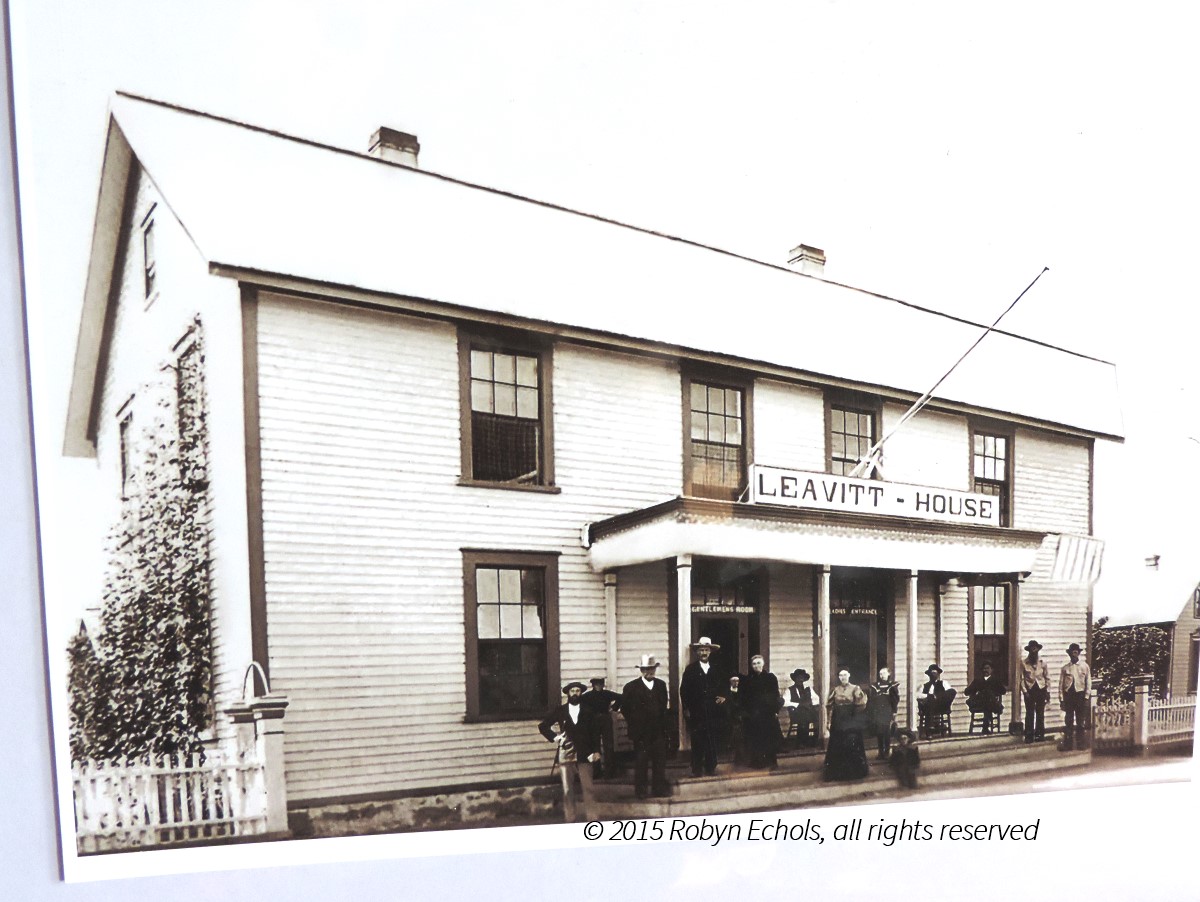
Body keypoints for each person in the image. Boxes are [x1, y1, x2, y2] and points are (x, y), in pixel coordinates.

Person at [538, 681, 602, 822]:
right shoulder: (560, 710)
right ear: (568, 693)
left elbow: (595, 733)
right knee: (567, 790)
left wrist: (596, 751)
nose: (575, 693)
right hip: (566, 755)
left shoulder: (588, 710)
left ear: (581, 693)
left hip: (585, 754)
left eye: (577, 691)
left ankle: (592, 820)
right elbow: (543, 726)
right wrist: (556, 737)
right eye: (572, 690)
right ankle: (570, 819)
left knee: (588, 788)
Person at [621, 654, 672, 799]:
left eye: (651, 669)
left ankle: (659, 789)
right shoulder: (631, 687)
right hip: (641, 733)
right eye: (645, 669)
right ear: (641, 670)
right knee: (641, 761)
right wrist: (635, 722)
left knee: (659, 761)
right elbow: (624, 708)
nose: (648, 672)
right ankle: (641, 791)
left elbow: (663, 707)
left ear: (655, 669)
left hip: (658, 731)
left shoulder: (661, 685)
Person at [679, 636, 727, 776]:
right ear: (697, 652)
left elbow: (725, 686)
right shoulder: (691, 670)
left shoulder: (717, 668)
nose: (704, 653)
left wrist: (724, 696)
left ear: (710, 652)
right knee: (698, 740)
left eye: (706, 650)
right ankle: (697, 768)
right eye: (701, 650)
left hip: (713, 710)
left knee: (712, 739)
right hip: (697, 711)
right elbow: (684, 690)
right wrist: (687, 708)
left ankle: (711, 767)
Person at [823, 668, 869, 780]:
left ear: (849, 675)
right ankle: (837, 773)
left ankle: (854, 772)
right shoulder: (835, 689)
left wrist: (854, 716)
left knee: (851, 742)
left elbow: (861, 704)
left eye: (845, 675)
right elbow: (829, 706)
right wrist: (828, 722)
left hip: (851, 719)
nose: (843, 677)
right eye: (840, 675)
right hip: (838, 719)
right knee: (838, 743)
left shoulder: (855, 688)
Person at [741, 654, 783, 769]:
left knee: (769, 738)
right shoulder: (748, 679)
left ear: (763, 664)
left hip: (767, 712)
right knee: (756, 739)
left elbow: (775, 695)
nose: (756, 666)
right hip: (754, 713)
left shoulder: (770, 678)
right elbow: (745, 697)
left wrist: (775, 710)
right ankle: (757, 762)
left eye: (758, 663)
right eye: (754, 664)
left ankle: (772, 762)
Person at [580, 676, 622, 778]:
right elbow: (579, 704)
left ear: (603, 685)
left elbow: (621, 697)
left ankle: (609, 772)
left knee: (608, 745)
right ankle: (596, 772)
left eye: (600, 684)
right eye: (596, 684)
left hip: (606, 719)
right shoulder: (587, 696)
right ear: (593, 685)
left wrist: (614, 708)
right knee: (595, 746)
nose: (598, 686)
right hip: (593, 721)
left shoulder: (607, 694)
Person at [1059, 642, 1092, 751]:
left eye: (1076, 652)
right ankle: (1068, 744)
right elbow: (1061, 685)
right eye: (1072, 652)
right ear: (1069, 654)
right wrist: (1062, 699)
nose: (1074, 654)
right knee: (1068, 720)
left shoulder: (1084, 666)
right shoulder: (1065, 668)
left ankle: (1080, 744)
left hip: (1080, 695)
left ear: (1078, 653)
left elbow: (1088, 682)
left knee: (1080, 721)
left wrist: (1086, 697)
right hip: (1069, 696)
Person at [1019, 639, 1050, 743]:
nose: (1034, 651)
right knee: (1029, 713)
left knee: (1040, 713)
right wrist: (1025, 691)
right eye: (1032, 649)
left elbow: (1047, 678)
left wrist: (1047, 691)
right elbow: (1021, 679)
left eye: (1035, 649)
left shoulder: (1042, 663)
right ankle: (1029, 736)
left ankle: (1040, 735)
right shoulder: (1024, 663)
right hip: (1030, 690)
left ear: (1038, 650)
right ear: (1029, 651)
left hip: (1041, 689)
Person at [866, 666, 900, 759]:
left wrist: (894, 712)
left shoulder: (892, 685)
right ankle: (880, 752)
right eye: (880, 674)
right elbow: (872, 700)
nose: (882, 675)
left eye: (884, 673)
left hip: (887, 711)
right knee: (879, 732)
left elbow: (895, 700)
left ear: (889, 674)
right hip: (878, 711)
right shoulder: (875, 686)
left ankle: (886, 751)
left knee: (886, 732)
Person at [964, 661, 1006, 733]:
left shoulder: (995, 680)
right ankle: (986, 726)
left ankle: (985, 728)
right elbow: (967, 692)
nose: (985, 670)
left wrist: (994, 692)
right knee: (987, 696)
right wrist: (974, 691)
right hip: (980, 702)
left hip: (989, 702)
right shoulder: (978, 680)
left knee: (988, 699)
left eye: (987, 668)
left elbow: (1003, 691)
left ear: (992, 670)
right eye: (984, 668)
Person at [916, 664, 956, 738]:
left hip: (941, 706)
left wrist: (937, 697)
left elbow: (950, 693)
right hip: (928, 707)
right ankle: (930, 729)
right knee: (930, 699)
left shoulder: (944, 683)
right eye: (932, 673)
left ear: (938, 674)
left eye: (935, 673)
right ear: (929, 675)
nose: (933, 675)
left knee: (952, 691)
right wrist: (929, 696)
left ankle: (931, 727)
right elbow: (917, 695)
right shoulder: (924, 686)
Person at [783, 668, 819, 748]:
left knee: (818, 716)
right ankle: (801, 742)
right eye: (798, 678)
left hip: (809, 712)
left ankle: (814, 741)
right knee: (803, 716)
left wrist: (811, 703)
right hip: (796, 713)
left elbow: (817, 699)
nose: (800, 680)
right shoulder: (789, 690)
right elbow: (785, 702)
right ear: (794, 679)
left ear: (804, 679)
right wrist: (798, 704)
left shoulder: (809, 689)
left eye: (802, 678)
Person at [723, 675, 747, 764]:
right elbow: (725, 705)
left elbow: (743, 704)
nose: (736, 683)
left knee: (740, 736)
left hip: (740, 717)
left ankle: (740, 758)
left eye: (737, 681)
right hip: (729, 717)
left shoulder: (741, 692)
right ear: (730, 682)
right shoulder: (726, 692)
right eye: (734, 681)